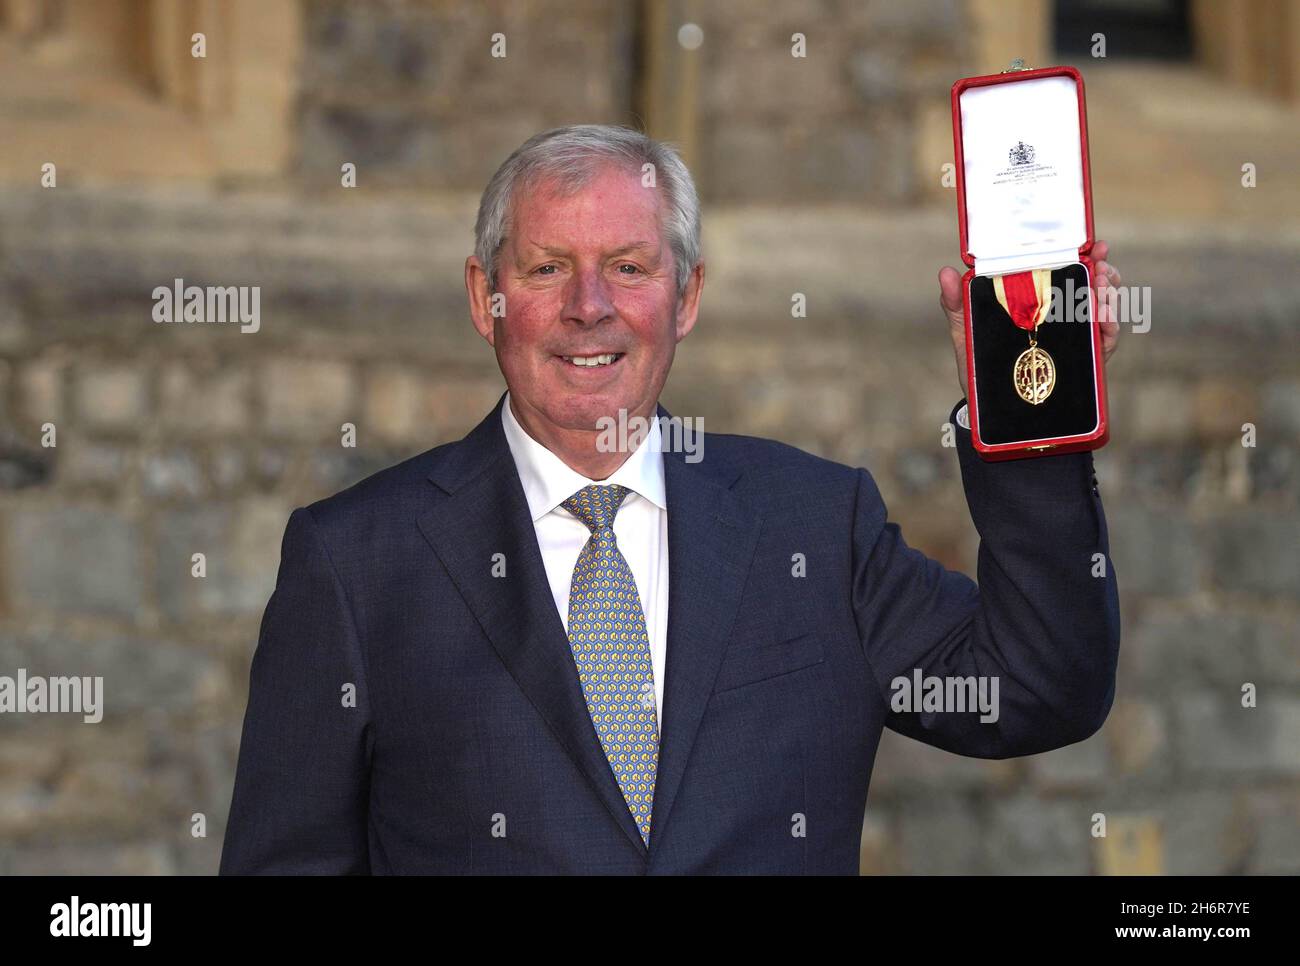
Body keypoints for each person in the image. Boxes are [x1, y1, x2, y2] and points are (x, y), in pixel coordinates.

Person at [220, 124, 1123, 874]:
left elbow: (1039, 689)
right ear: (484, 297)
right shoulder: (356, 565)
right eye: (544, 270)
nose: (589, 306)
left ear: (687, 296)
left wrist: (1030, 403)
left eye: (629, 267)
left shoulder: (813, 524)